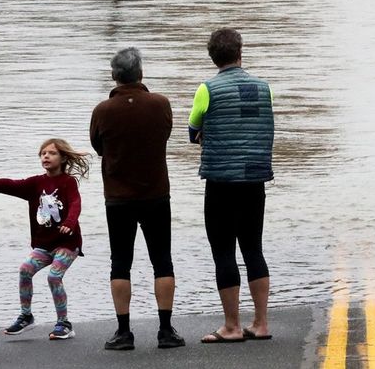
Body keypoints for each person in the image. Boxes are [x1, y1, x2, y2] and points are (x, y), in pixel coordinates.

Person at [89, 47, 185, 351]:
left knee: (120, 263)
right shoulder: (160, 104)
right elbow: (165, 134)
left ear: (114, 76)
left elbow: (98, 146)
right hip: (156, 192)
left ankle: (124, 332)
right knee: (162, 260)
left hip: (118, 196)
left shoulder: (103, 110)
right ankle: (166, 330)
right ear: (140, 73)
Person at [188, 28, 275, 343]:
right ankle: (261, 323)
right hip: (254, 179)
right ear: (240, 53)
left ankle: (232, 326)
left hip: (222, 181)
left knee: (223, 250)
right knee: (253, 248)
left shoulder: (206, 89)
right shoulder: (264, 88)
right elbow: (256, 121)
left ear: (213, 57)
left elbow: (193, 129)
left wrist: (207, 131)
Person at [0, 138, 88, 341]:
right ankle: (26, 316)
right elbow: (8, 185)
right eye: (43, 153)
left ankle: (64, 323)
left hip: (68, 244)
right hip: (44, 245)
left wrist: (70, 221)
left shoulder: (68, 182)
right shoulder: (35, 183)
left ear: (63, 158)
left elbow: (75, 203)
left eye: (52, 153)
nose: (46, 156)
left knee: (54, 277)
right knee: (25, 270)